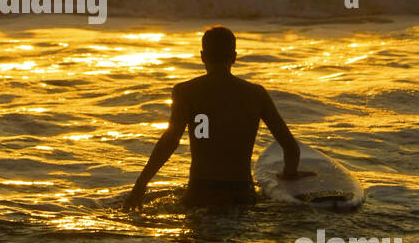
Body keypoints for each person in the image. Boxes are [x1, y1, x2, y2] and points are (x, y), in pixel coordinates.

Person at [123, 26, 307, 210]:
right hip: (241, 195)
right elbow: (291, 149)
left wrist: (140, 185)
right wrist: (289, 175)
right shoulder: (256, 94)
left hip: (199, 194)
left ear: (203, 56)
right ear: (234, 57)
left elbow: (170, 141)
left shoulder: (185, 92)